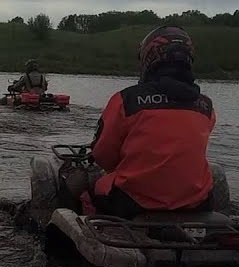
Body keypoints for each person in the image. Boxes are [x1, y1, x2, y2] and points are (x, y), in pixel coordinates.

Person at [64, 25, 216, 217]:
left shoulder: (126, 100)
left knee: (80, 187)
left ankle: (78, 235)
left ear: (149, 58)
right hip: (196, 202)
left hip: (133, 201)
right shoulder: (206, 107)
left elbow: (103, 156)